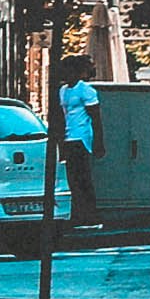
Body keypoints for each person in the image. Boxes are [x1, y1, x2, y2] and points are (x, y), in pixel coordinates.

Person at [54, 68, 97, 228]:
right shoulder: (63, 91)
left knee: (83, 177)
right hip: (68, 137)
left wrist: (97, 141)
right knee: (72, 179)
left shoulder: (85, 90)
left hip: (81, 137)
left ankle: (89, 214)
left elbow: (95, 115)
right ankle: (78, 213)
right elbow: (61, 114)